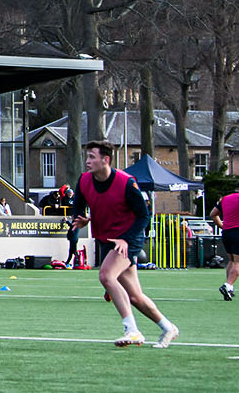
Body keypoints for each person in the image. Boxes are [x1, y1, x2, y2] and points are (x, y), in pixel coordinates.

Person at [70, 140, 178, 348]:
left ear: (106, 160)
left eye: (92, 157)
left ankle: (132, 330)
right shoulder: (84, 180)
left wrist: (125, 240)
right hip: (106, 238)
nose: (88, 161)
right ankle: (168, 327)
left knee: (106, 275)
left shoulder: (126, 182)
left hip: (128, 239)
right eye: (87, 156)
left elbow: (143, 216)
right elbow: (78, 206)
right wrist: (81, 218)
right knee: (136, 297)